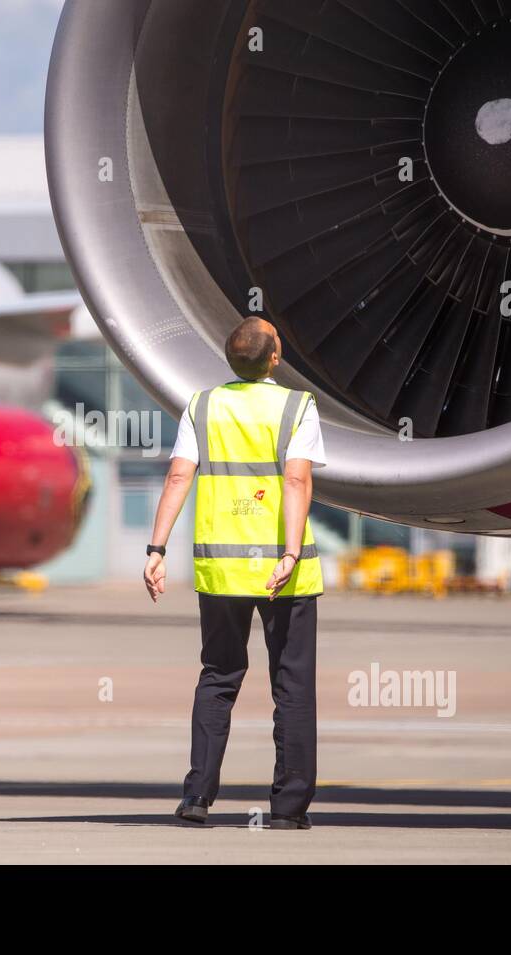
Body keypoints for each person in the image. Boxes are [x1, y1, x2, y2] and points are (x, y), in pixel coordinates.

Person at [144, 317, 326, 830]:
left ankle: (197, 798)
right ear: (275, 357)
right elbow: (295, 480)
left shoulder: (202, 406)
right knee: (292, 688)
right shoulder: (297, 406)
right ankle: (288, 811)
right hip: (283, 574)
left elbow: (180, 473)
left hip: (221, 572)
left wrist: (156, 548)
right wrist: (289, 555)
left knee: (218, 678)